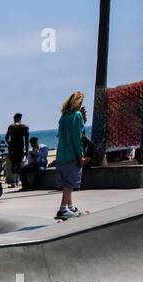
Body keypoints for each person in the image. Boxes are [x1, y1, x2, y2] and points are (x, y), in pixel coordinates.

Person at [56, 91, 87, 220]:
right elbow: (77, 138)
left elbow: (60, 135)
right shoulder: (77, 115)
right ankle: (63, 209)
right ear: (78, 102)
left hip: (61, 154)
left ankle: (70, 206)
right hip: (71, 155)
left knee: (66, 182)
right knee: (70, 183)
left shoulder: (63, 116)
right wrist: (80, 156)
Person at [5, 113, 30, 185]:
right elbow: (26, 140)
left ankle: (13, 181)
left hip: (12, 148)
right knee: (19, 163)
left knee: (13, 163)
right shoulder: (25, 127)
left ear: (15, 118)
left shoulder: (11, 127)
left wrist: (9, 143)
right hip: (20, 147)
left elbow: (6, 138)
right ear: (20, 118)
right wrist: (27, 151)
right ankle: (18, 180)